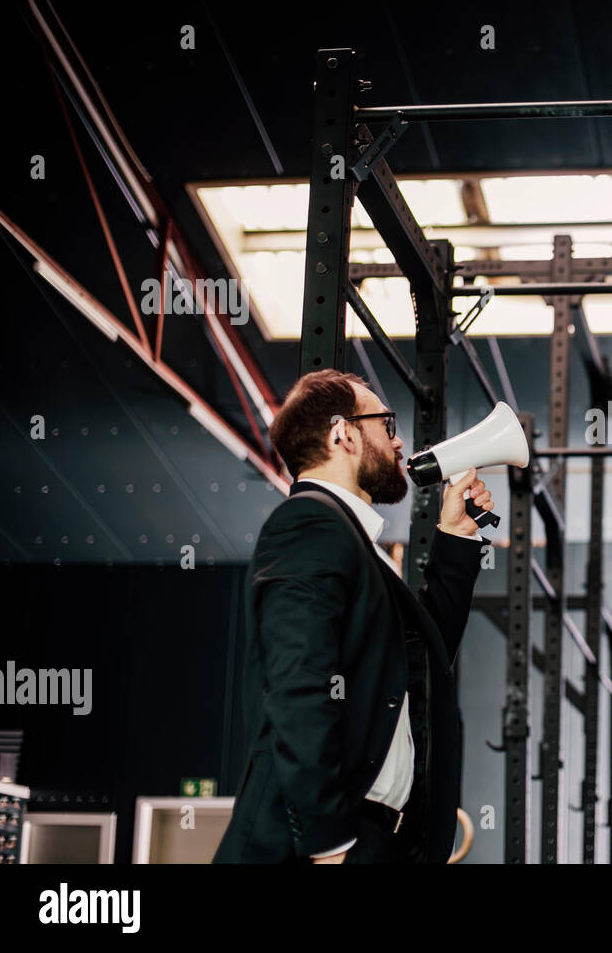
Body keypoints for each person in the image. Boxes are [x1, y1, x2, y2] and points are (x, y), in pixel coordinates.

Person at [213, 369, 492, 864]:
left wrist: (456, 538)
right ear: (342, 433)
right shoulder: (307, 524)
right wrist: (327, 845)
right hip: (329, 845)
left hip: (369, 839)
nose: (399, 439)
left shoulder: (353, 543)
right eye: (386, 424)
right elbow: (298, 686)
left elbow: (422, 663)